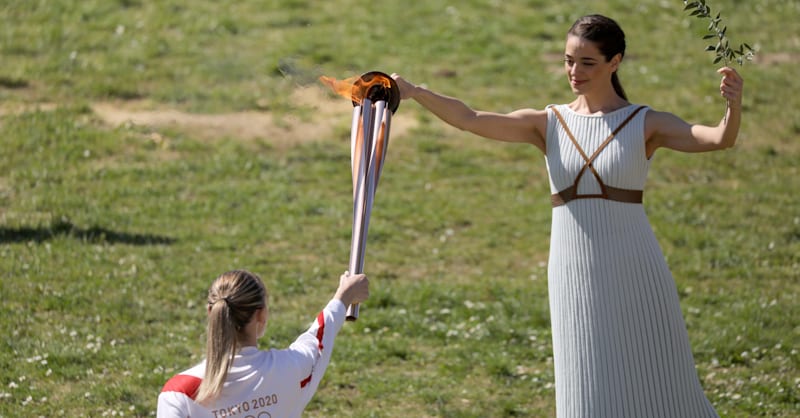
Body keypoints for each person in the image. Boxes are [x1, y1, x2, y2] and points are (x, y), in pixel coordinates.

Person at [391, 14, 742, 418]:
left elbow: (719, 139)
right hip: (572, 272)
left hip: (635, 269)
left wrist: (732, 104)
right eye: (569, 61)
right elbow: (471, 119)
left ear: (615, 62)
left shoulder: (644, 123)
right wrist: (415, 91)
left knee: (660, 378)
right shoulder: (549, 123)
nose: (575, 72)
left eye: (587, 63)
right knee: (585, 382)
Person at [157, 269, 369, 418]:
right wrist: (344, 296)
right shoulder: (292, 369)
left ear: (211, 313)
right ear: (261, 315)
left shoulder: (178, 393)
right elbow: (322, 333)